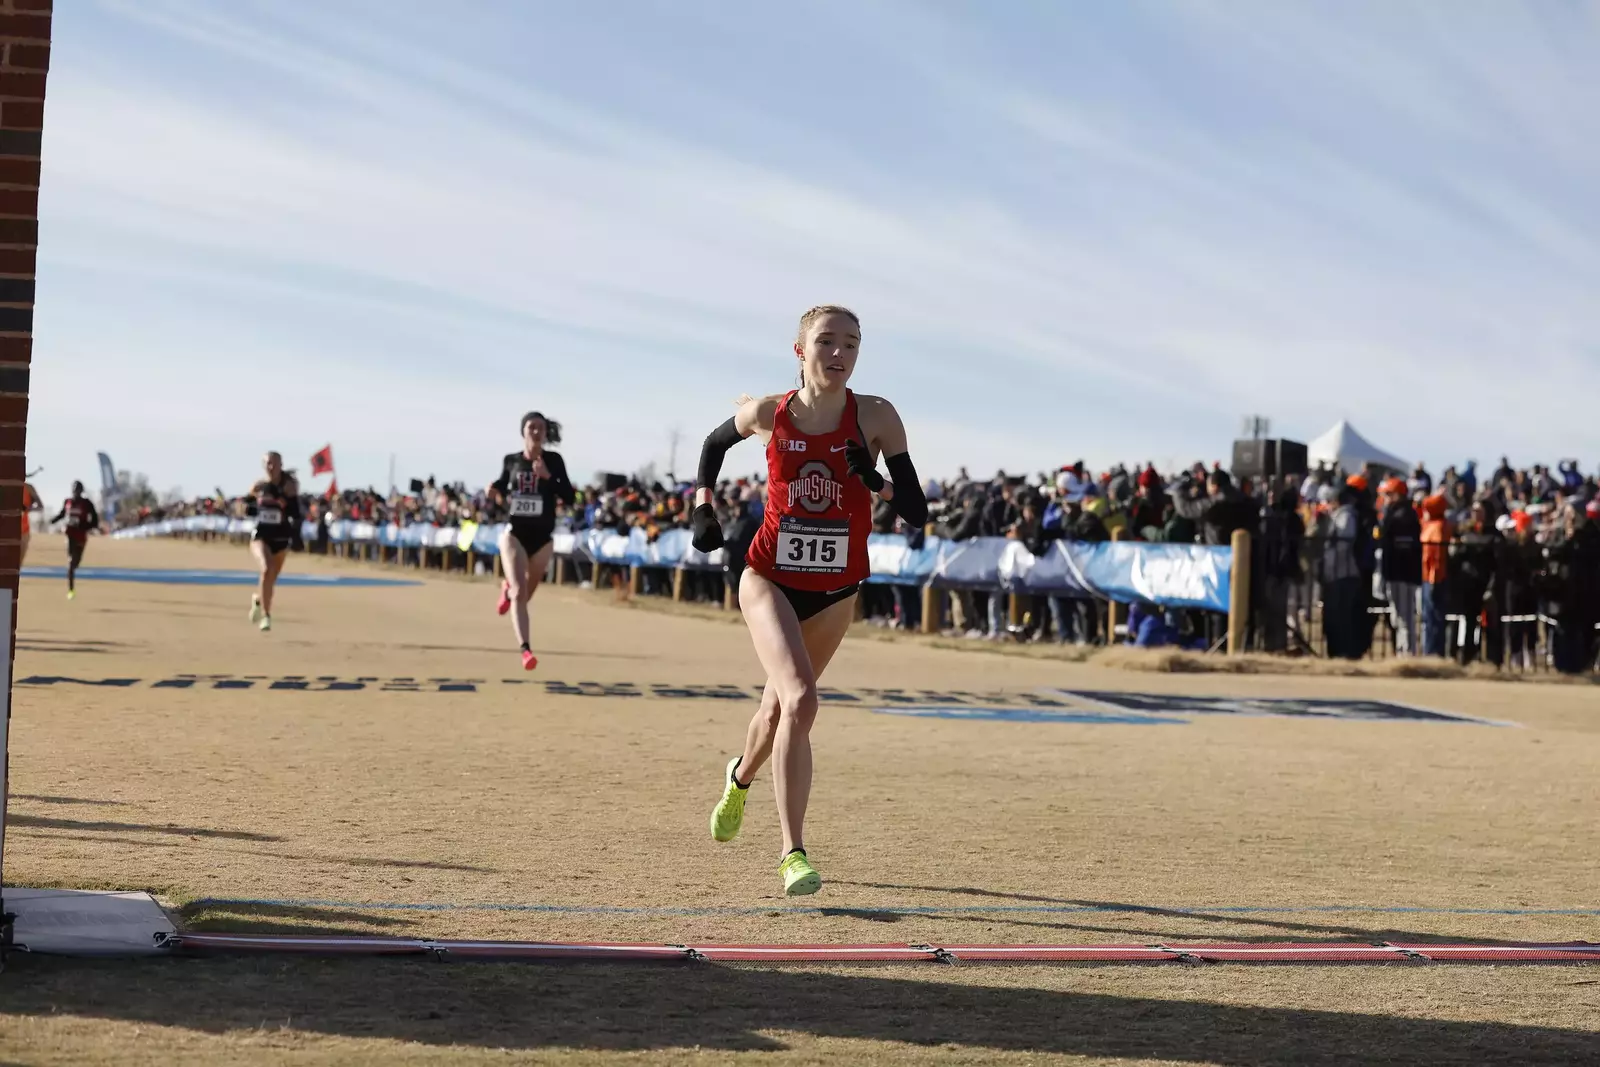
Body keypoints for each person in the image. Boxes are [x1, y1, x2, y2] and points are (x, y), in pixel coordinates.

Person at [692, 305, 927, 896]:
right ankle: (792, 853)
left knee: (779, 713)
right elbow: (712, 446)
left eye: (852, 342)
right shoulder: (770, 413)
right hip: (769, 579)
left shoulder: (876, 416)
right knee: (801, 698)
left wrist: (874, 481)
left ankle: (739, 778)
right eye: (826, 341)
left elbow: (917, 510)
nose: (839, 353)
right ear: (801, 350)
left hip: (836, 592)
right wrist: (702, 508)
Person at [488, 412, 574, 670]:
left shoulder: (554, 461)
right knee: (519, 592)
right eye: (531, 427)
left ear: (546, 433)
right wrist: (493, 492)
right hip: (515, 534)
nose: (536, 432)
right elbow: (501, 487)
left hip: (543, 539)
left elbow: (570, 497)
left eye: (540, 428)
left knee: (525, 596)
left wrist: (548, 477)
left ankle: (507, 589)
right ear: (523, 431)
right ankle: (526, 650)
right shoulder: (512, 461)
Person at [247, 452, 302, 632]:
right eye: (268, 464)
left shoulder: (289, 486)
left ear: (281, 465)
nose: (271, 467)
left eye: (275, 464)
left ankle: (257, 600)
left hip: (281, 538)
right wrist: (248, 506)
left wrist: (284, 500)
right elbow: (247, 508)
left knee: (270, 579)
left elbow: (296, 514)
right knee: (266, 569)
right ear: (264, 466)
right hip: (261, 536)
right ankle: (266, 616)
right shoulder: (258, 486)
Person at [50, 481, 100, 599]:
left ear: (81, 491)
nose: (76, 492)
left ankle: (73, 567)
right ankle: (71, 590)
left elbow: (95, 520)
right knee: (71, 563)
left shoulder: (86, 503)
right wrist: (53, 520)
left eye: (78, 490)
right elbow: (63, 514)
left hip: (81, 536)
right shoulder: (68, 502)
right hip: (70, 534)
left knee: (76, 563)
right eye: (74, 489)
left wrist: (85, 526)